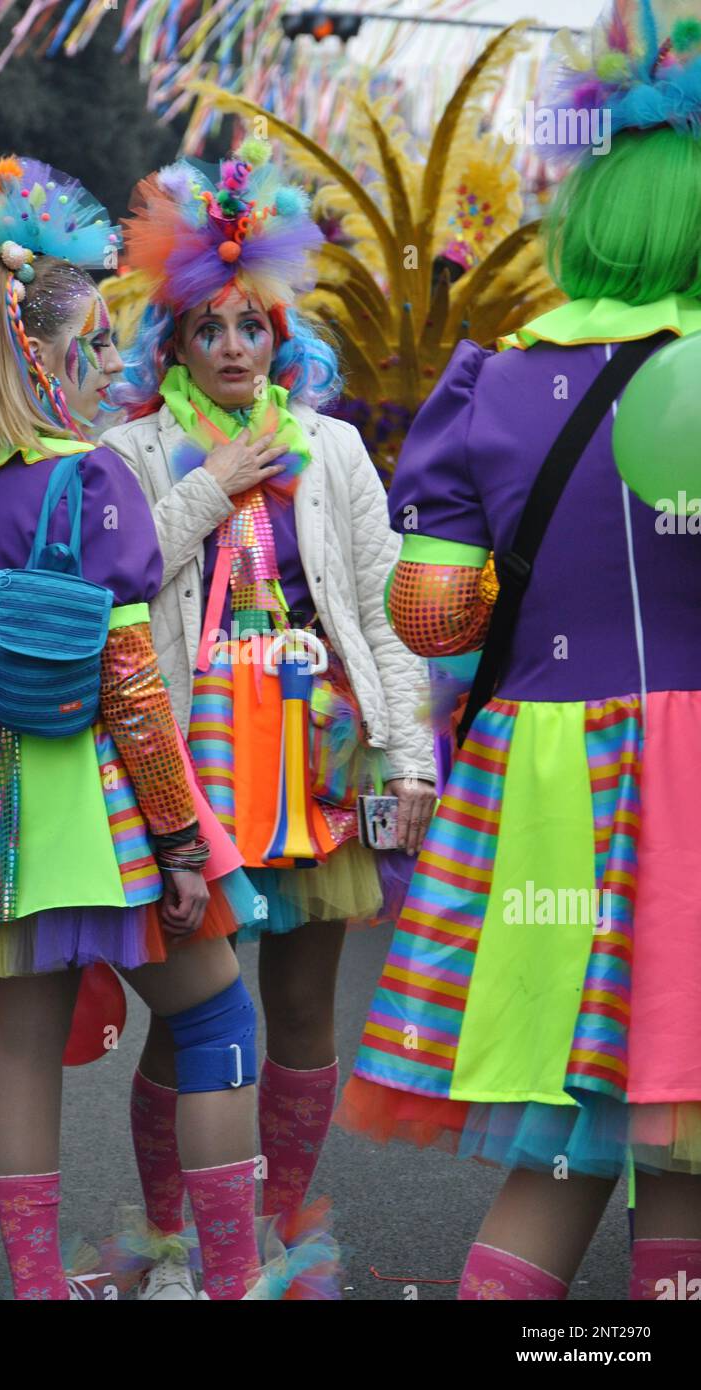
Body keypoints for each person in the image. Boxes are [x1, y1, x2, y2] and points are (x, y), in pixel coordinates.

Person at [0, 155, 273, 1302]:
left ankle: (38, 1289)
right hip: (93, 800)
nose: (119, 368)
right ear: (52, 355)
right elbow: (128, 677)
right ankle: (230, 1281)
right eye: (105, 351)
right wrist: (179, 841)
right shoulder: (93, 485)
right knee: (219, 1012)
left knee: (21, 1043)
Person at [337, 0, 701, 1301]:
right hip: (687, 776)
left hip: (543, 786)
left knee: (562, 1135)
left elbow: (430, 613)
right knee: (679, 1133)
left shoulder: (487, 384)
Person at [102, 137, 437, 1298]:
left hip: (317, 764)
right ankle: (172, 1243)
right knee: (200, 1015)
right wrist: (214, 480)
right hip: (190, 773)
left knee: (300, 1005)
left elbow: (389, 606)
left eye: (255, 328)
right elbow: (124, 579)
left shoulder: (335, 446)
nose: (236, 348)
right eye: (211, 330)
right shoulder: (133, 450)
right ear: (176, 343)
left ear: (282, 340)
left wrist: (405, 752)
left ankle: (275, 1235)